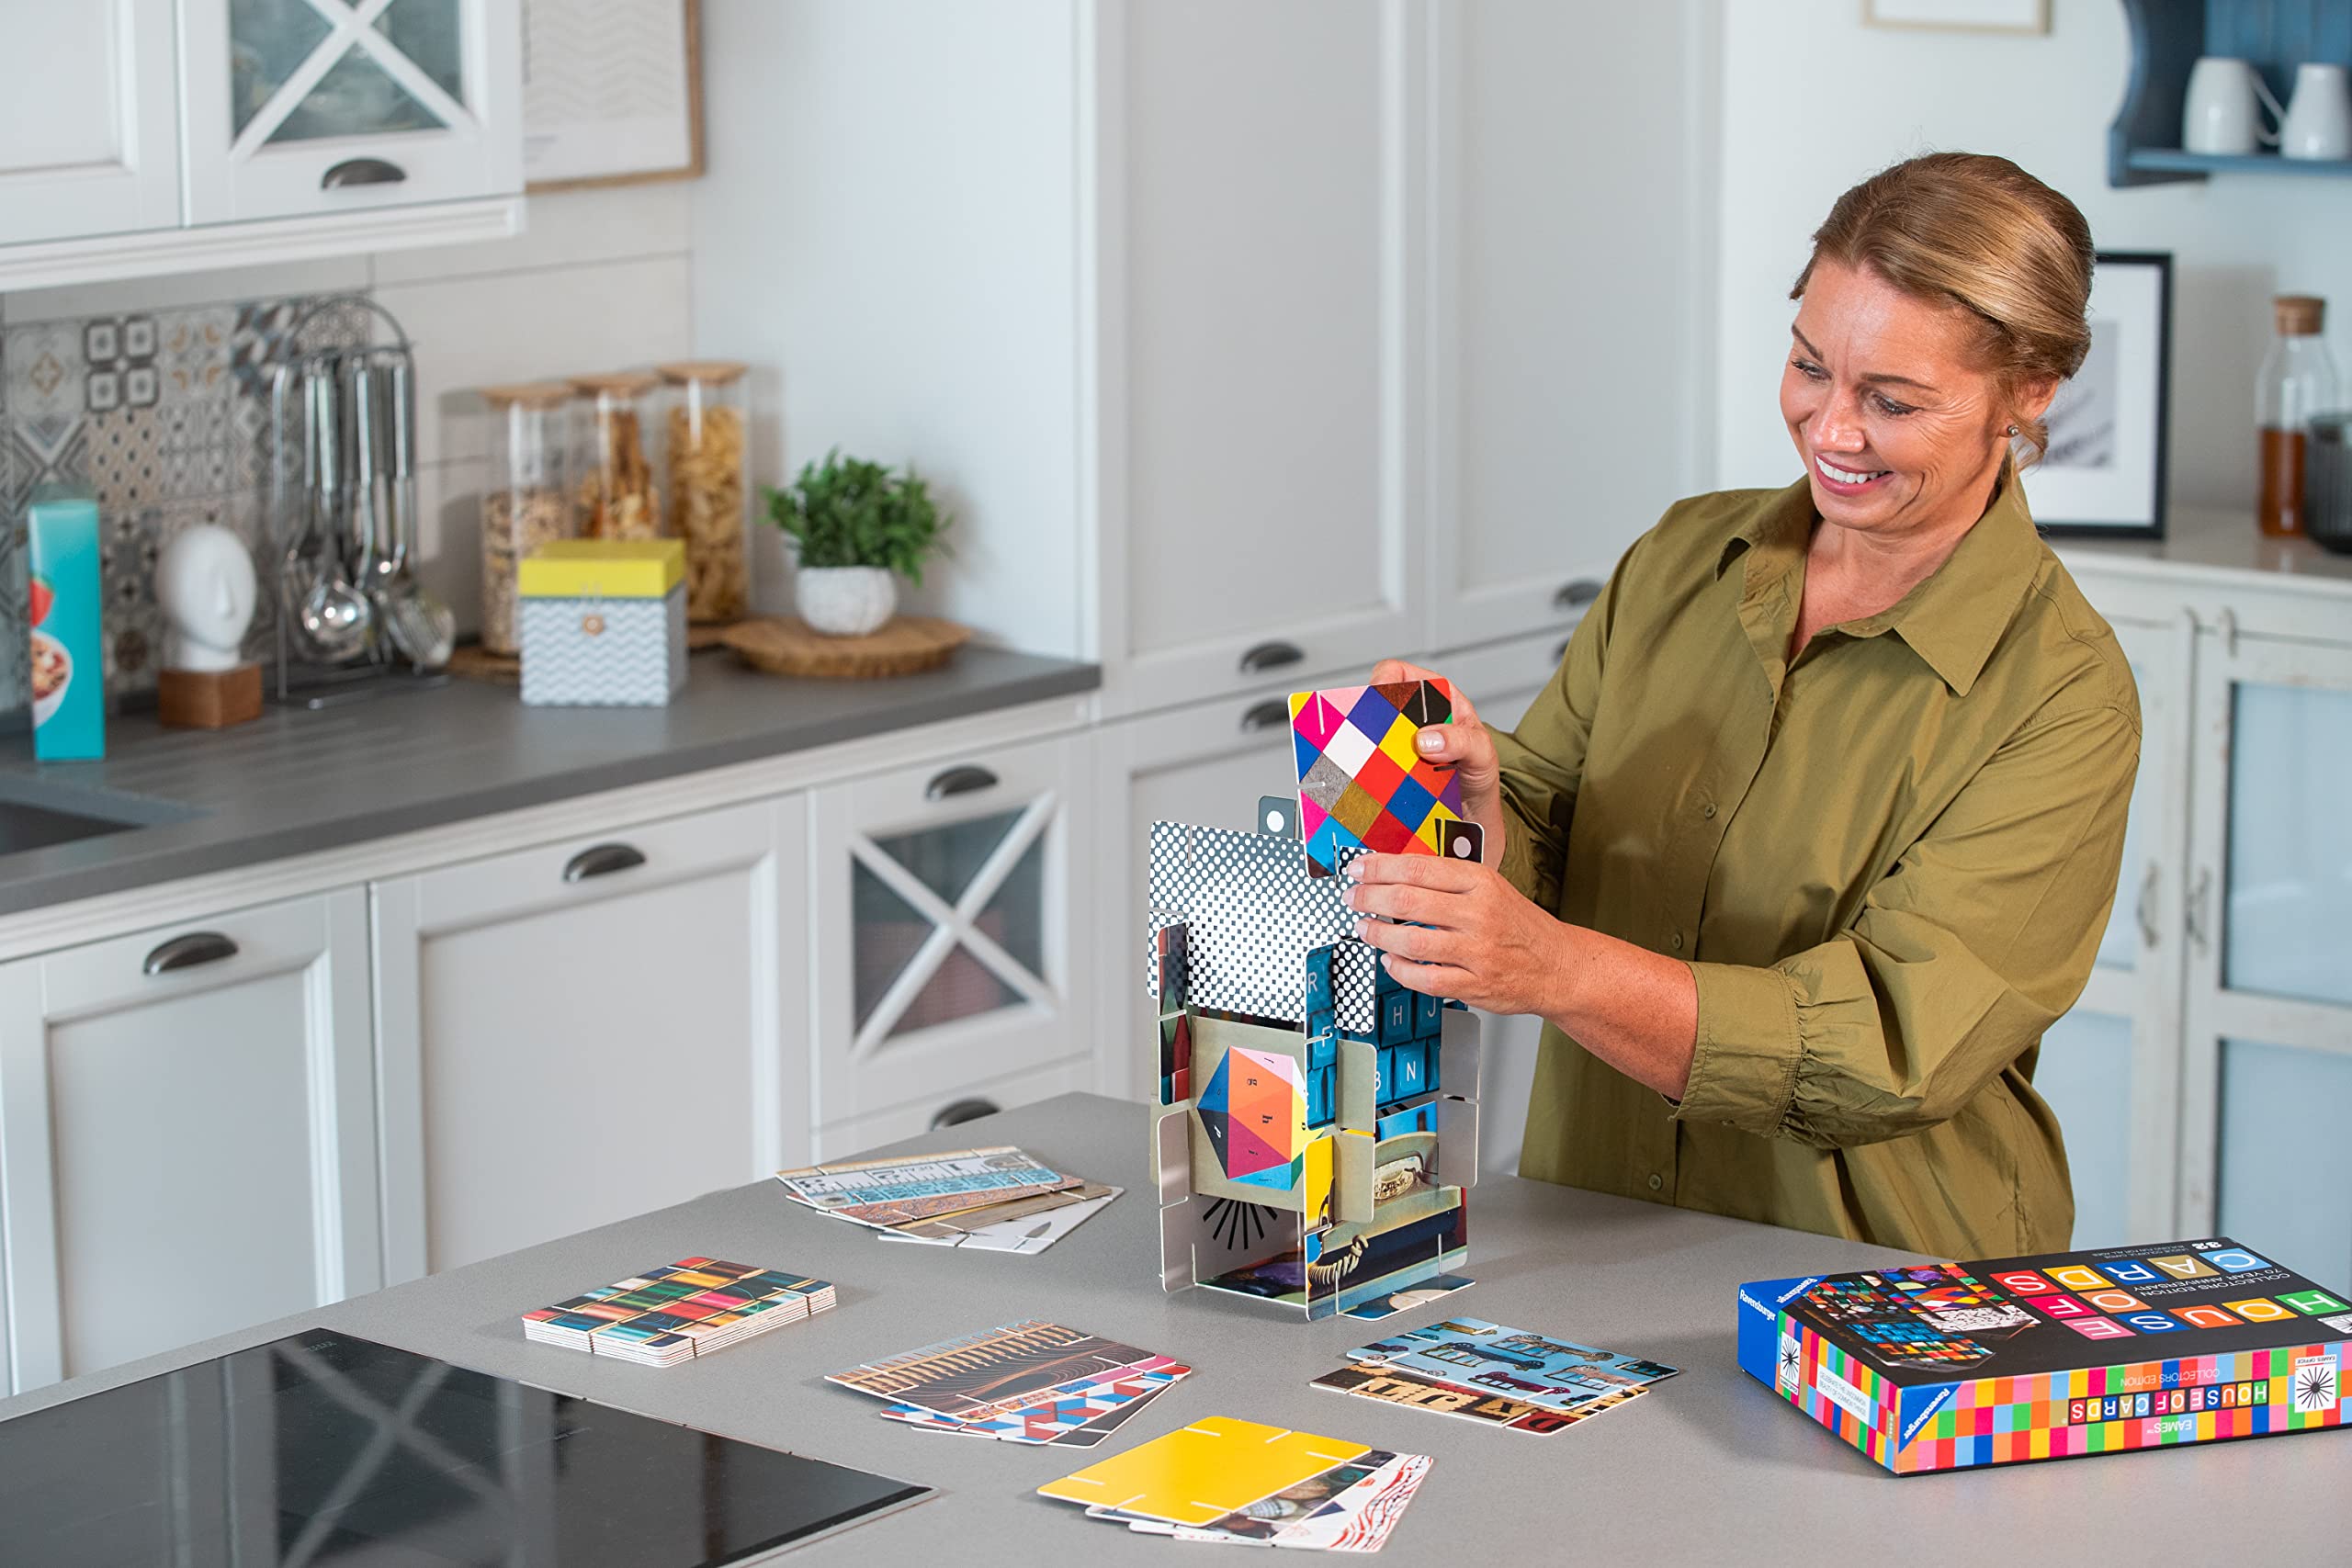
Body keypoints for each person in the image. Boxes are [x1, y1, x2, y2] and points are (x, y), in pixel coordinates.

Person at [1347, 152, 2139, 1258]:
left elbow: (1889, 1048)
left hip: (1881, 1276)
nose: (1832, 430)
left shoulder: (2061, 693)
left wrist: (1558, 968)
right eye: (1810, 368)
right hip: (1593, 1232)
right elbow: (1564, 841)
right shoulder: (1682, 559)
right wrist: (1477, 814)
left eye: (1893, 401)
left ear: (2030, 392)